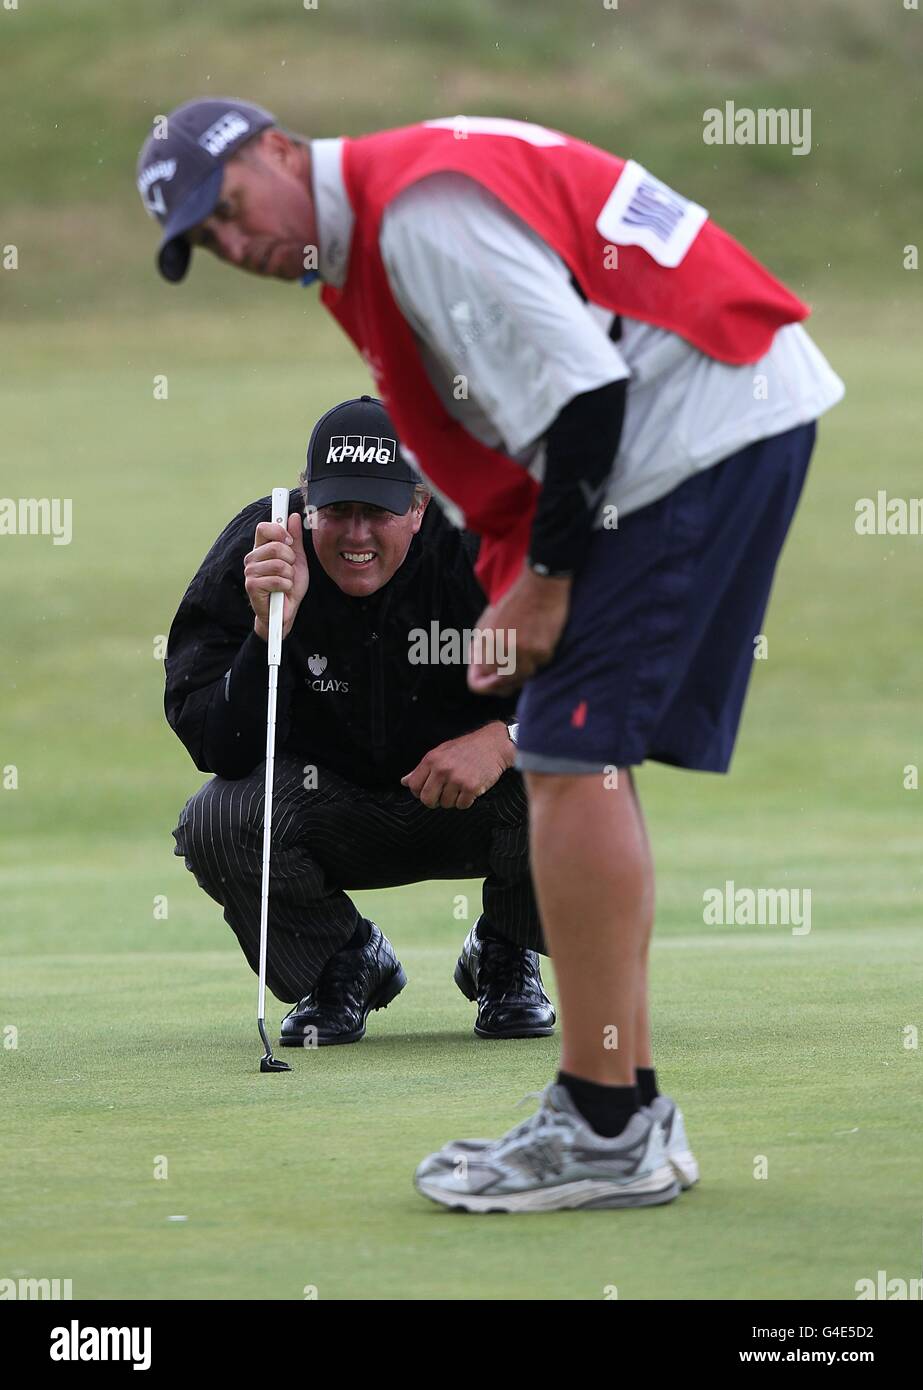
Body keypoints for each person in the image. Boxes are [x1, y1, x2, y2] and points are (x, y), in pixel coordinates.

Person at [139, 102, 844, 1212]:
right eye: (209, 242)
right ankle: (619, 1111)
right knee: (573, 746)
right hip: (701, 422)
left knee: (565, 748)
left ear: (278, 150)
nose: (239, 244)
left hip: (695, 426)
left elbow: (585, 390)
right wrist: (527, 567)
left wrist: (550, 579)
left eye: (230, 208)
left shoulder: (414, 215)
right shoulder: (385, 222)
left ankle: (608, 1123)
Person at [166, 394, 554, 1047]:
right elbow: (213, 742)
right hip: (326, 807)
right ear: (306, 498)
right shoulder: (261, 549)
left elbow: (602, 688)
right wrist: (268, 635)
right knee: (214, 822)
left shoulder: (480, 543)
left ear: (422, 503)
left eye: (378, 511)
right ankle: (343, 961)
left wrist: (503, 740)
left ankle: (507, 947)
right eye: (337, 510)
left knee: (584, 777)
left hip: (474, 800)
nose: (356, 535)